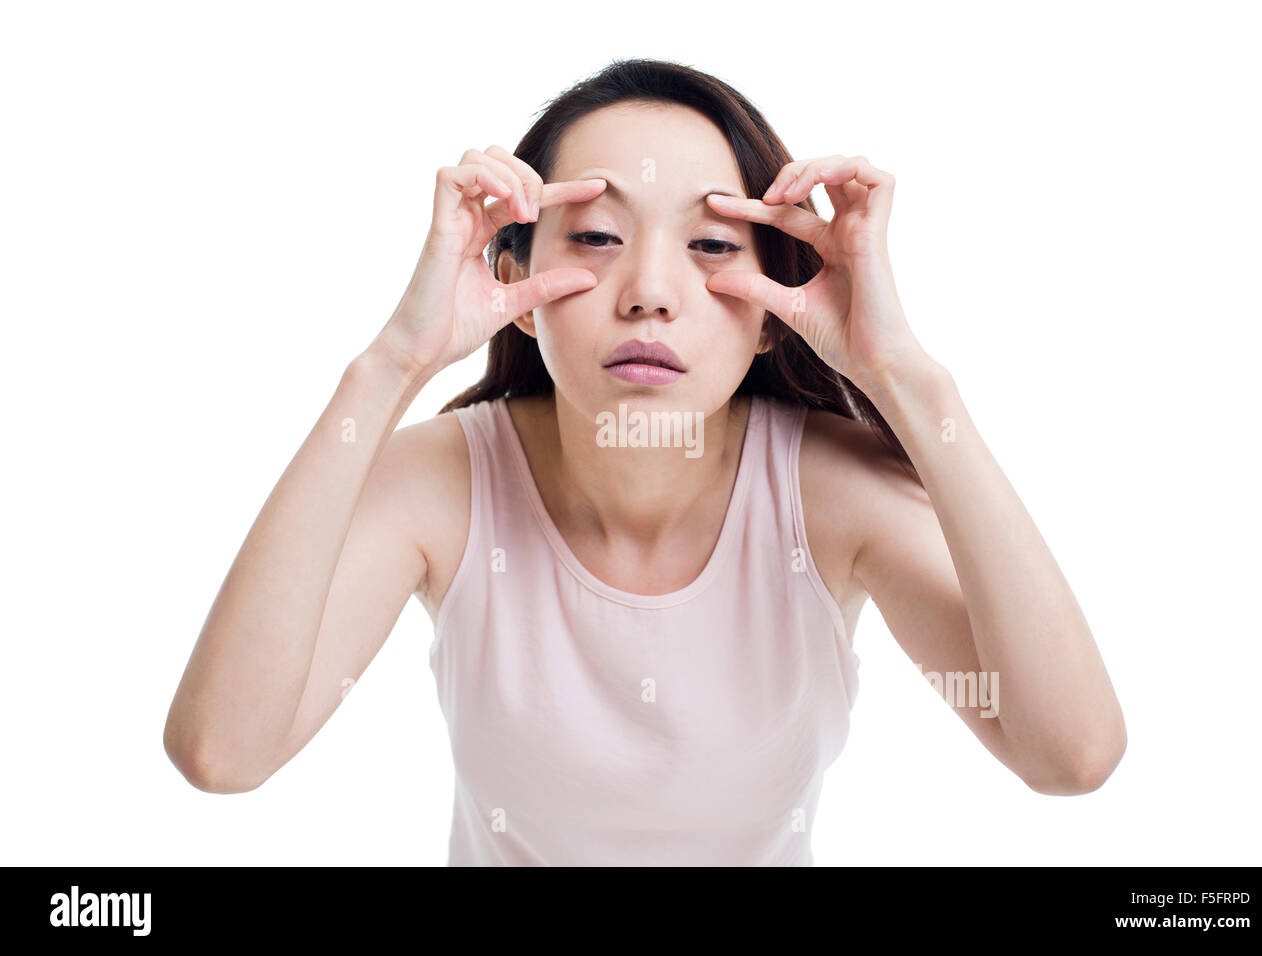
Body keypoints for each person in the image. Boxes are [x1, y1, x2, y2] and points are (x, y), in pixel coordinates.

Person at [163, 57, 1126, 866]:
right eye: (595, 237)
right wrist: (391, 364)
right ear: (517, 283)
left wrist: (906, 377)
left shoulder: (825, 492)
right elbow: (221, 752)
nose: (651, 294)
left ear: (768, 311)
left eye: (710, 245)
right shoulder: (446, 486)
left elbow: (1071, 755)